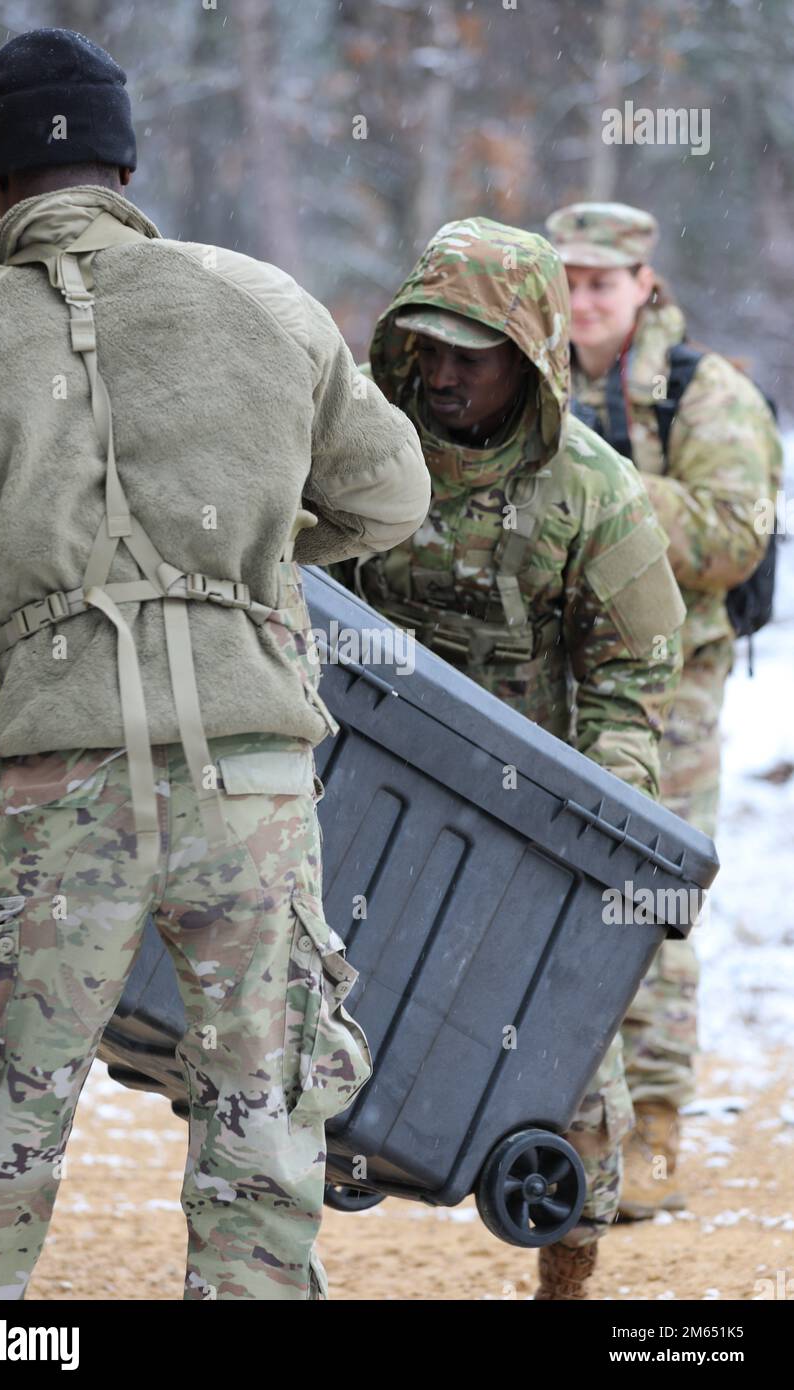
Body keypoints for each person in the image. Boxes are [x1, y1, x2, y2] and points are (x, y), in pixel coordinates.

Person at [0, 27, 431, 1301]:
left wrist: (30, 588)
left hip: (58, 796)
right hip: (250, 791)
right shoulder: (262, 300)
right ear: (125, 161)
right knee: (261, 1120)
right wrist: (242, 563)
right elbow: (390, 497)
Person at [329, 215, 686, 1298]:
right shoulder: (359, 445)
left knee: (567, 1075)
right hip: (367, 791)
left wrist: (602, 823)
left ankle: (565, 1280)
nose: (441, 375)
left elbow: (634, 675)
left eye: (470, 356)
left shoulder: (593, 492)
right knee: (284, 1041)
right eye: (426, 349)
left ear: (528, 356)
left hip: (531, 818)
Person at [545, 201, 783, 1219]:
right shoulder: (527, 376)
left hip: (670, 686)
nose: (583, 300)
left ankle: (652, 1128)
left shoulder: (703, 391)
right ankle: (558, 1116)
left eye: (602, 282)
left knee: (649, 901)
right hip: (552, 677)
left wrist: (601, 490)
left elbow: (734, 533)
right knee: (547, 896)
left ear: (644, 285)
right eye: (567, 280)